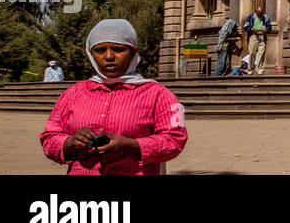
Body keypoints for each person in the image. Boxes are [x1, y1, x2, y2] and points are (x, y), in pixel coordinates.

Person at [39, 19, 188, 175]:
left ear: (133, 52)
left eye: (118, 49)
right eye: (100, 50)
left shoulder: (160, 94)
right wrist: (70, 142)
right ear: (91, 54)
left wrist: (132, 145)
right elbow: (49, 138)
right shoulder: (72, 94)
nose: (109, 56)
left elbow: (176, 139)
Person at [243, 5, 272, 75]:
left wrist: (267, 30)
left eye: (261, 13)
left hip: (262, 36)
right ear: (256, 12)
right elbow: (245, 26)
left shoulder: (265, 17)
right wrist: (252, 29)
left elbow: (270, 27)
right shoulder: (251, 17)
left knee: (261, 53)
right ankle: (250, 69)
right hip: (253, 36)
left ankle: (259, 69)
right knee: (252, 53)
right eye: (259, 13)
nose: (260, 15)